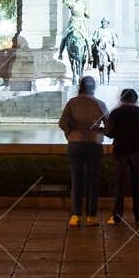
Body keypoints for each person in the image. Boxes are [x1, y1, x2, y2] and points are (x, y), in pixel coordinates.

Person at [57, 75, 108, 226]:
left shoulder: (72, 103)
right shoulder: (100, 104)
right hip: (94, 144)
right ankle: (92, 216)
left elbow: (62, 123)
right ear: (94, 88)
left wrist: (70, 134)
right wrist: (101, 132)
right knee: (93, 181)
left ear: (80, 86)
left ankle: (76, 216)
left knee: (76, 180)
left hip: (75, 144)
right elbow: (110, 125)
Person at [104, 87, 139, 226]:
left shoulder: (115, 113)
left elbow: (110, 133)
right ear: (135, 99)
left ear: (121, 98)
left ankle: (117, 217)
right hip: (136, 151)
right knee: (137, 185)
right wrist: (137, 136)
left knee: (119, 185)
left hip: (120, 151)